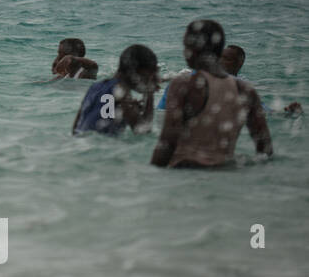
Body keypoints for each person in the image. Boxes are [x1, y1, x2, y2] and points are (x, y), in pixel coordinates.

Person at [151, 20, 272, 168]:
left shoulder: (183, 85)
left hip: (184, 174)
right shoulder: (245, 89)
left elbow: (167, 143)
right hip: (227, 173)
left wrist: (150, 177)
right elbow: (265, 150)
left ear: (194, 48)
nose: (184, 52)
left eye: (186, 46)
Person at [157, 45, 301, 114]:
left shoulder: (241, 84)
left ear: (239, 63)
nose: (220, 61)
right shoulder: (193, 74)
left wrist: (282, 112)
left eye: (226, 59)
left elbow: (257, 107)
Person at [72, 44, 159, 135]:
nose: (150, 78)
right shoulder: (122, 92)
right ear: (137, 71)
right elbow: (143, 130)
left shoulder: (95, 87)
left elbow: (75, 129)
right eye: (149, 74)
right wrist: (150, 93)